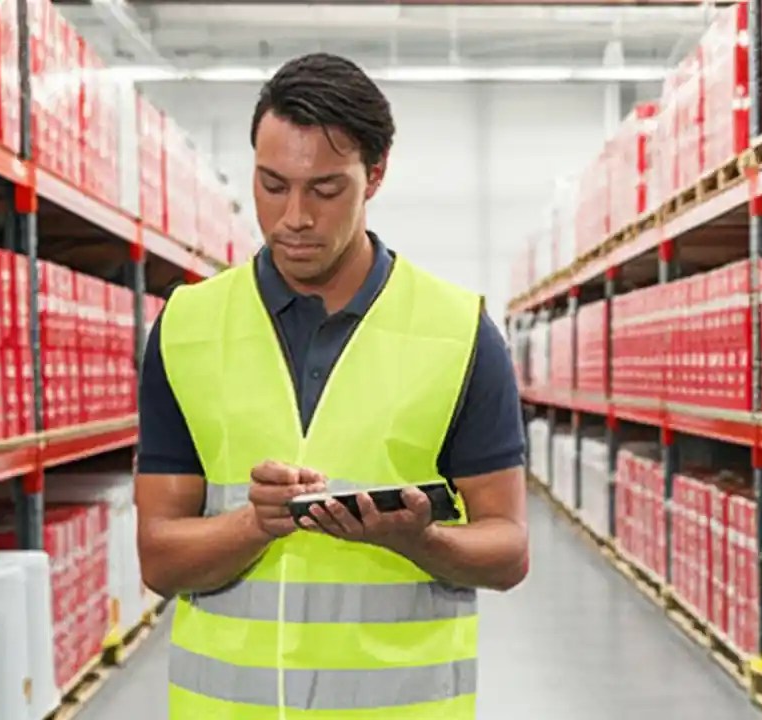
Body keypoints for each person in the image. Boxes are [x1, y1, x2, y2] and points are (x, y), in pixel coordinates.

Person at [134, 52, 530, 720]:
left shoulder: (459, 332)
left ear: (374, 175)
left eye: (324, 189)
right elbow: (158, 558)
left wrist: (418, 541)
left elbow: (509, 548)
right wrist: (253, 524)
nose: (294, 217)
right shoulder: (186, 327)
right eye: (271, 184)